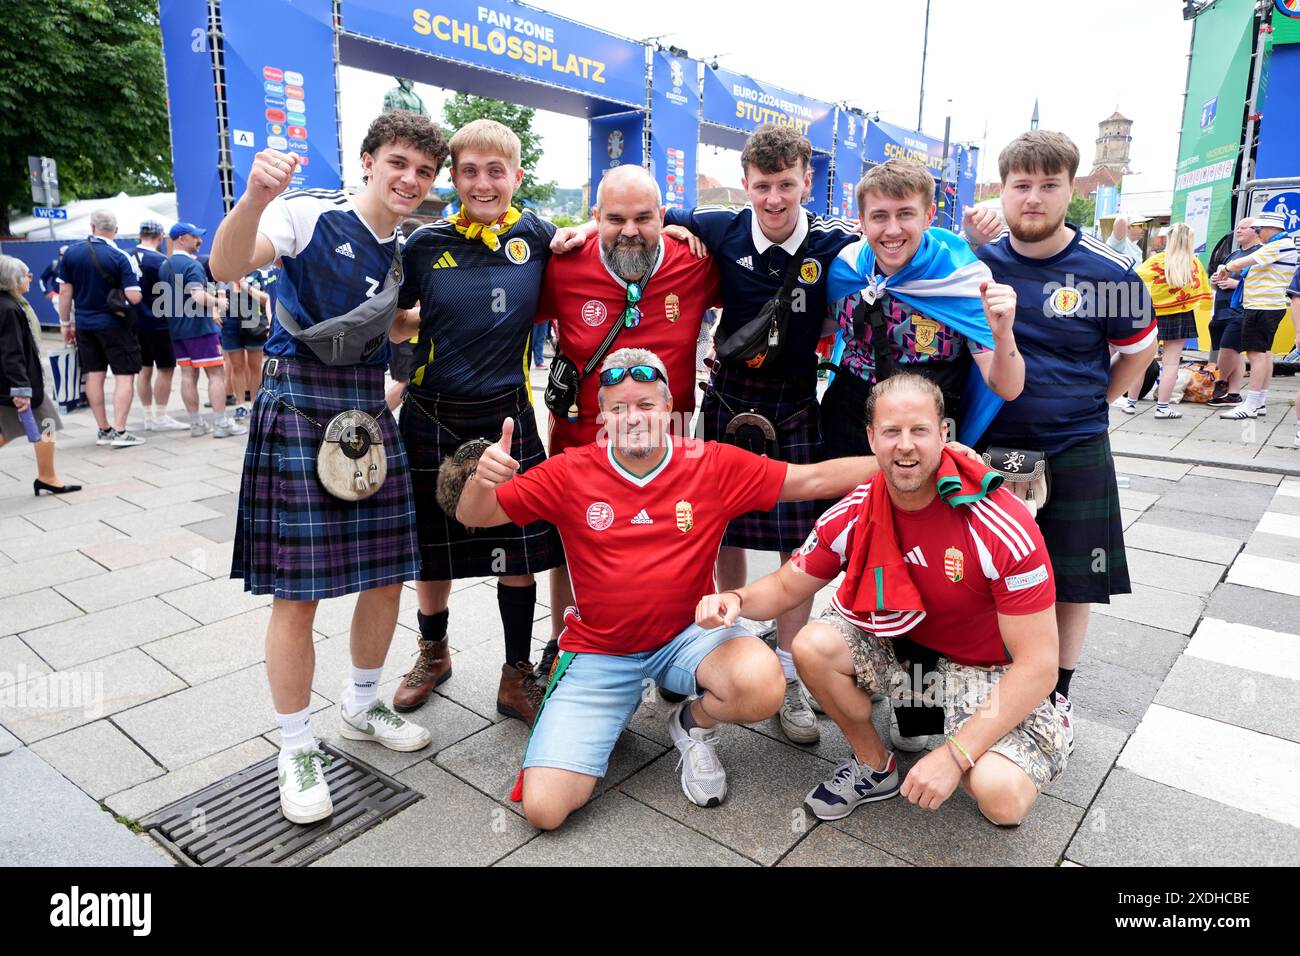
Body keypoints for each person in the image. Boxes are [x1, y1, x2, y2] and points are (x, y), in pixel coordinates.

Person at [456, 347, 885, 830]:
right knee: (544, 810)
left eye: (646, 405)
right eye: (618, 409)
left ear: (669, 408)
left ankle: (691, 725)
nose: (633, 418)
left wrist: (901, 459)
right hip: (602, 650)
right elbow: (476, 516)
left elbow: (814, 480)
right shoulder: (570, 470)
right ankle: (607, 714)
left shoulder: (711, 463)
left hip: (689, 636)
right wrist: (481, 480)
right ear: (602, 417)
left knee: (762, 684)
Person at [209, 109, 450, 824]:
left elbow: (394, 322)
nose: (410, 179)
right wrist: (254, 195)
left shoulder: (403, 247)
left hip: (366, 410)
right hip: (299, 400)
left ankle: (362, 704)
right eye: (399, 163)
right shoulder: (308, 214)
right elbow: (225, 266)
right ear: (369, 161)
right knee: (299, 591)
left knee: (385, 575)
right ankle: (294, 745)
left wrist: (402, 369)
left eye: (424, 171)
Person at [697, 374, 1066, 826]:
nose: (905, 446)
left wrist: (955, 756)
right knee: (812, 644)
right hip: (905, 648)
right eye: (891, 431)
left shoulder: (997, 521)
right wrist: (734, 597)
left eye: (919, 431)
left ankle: (1044, 730)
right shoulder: (857, 508)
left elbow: (1040, 665)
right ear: (871, 437)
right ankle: (874, 765)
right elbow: (786, 586)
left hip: (986, 669)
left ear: (944, 434)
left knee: (999, 797)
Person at [661, 124, 858, 745]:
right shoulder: (719, 226)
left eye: (787, 185)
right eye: (763, 185)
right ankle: (729, 642)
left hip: (796, 403)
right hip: (727, 399)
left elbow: (906, 245)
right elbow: (644, 214)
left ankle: (796, 678)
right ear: (745, 184)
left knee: (799, 545)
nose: (774, 198)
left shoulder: (835, 241)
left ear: (807, 183)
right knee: (718, 528)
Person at [387, 119, 580, 724]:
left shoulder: (541, 236)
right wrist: (434, 324)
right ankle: (433, 652)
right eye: (469, 170)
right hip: (430, 411)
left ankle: (515, 672)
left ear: (517, 176)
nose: (482, 183)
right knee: (429, 549)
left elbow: (598, 244)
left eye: (495, 171)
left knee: (517, 549)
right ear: (454, 176)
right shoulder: (422, 244)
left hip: (506, 414)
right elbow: (394, 324)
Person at [973, 130, 1157, 746]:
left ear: (1069, 189)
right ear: (1004, 190)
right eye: (1021, 185)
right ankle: (995, 680)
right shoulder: (982, 265)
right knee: (996, 572)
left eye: (1049, 185)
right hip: (999, 444)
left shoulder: (1110, 272)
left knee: (1073, 578)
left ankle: (1057, 697)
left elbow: (1140, 352)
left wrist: (1096, 401)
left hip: (1076, 443)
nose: (1033, 198)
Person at [530, 164, 722, 683]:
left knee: (678, 542)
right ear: (596, 218)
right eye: (614, 219)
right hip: (583, 438)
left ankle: (679, 645)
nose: (630, 230)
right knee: (573, 543)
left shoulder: (694, 262)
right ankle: (560, 638)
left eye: (644, 217)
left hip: (672, 441)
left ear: (664, 216)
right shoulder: (564, 265)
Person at [823, 158, 1024, 457]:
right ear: (862, 221)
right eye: (879, 216)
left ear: (928, 216)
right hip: (848, 424)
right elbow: (814, 331)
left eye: (905, 214)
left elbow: (1008, 388)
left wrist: (1003, 335)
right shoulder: (845, 268)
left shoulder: (963, 279)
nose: (892, 230)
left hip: (925, 433)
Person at [56, 209, 146, 447]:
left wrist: (66, 323)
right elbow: (133, 296)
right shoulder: (119, 256)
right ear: (115, 231)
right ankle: (121, 431)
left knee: (94, 375)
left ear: (92, 227)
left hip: (85, 325)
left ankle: (103, 429)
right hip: (115, 324)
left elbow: (65, 292)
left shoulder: (72, 253)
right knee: (124, 377)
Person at [0, 255, 80, 495]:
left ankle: (47, 476)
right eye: (26, 275)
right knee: (43, 424)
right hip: (20, 383)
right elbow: (11, 352)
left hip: (18, 381)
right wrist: (21, 390)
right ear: (12, 279)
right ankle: (47, 477)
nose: (30, 279)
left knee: (39, 425)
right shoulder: (10, 308)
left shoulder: (12, 303)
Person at [159, 223, 244, 439]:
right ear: (181, 238)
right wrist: (219, 302)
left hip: (177, 329)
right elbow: (197, 296)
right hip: (199, 327)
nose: (200, 241)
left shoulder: (165, 265)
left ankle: (196, 423)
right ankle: (221, 423)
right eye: (195, 237)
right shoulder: (192, 265)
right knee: (216, 373)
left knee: (188, 375)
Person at [1122, 223, 1211, 419]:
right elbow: (1203, 292)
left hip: (1152, 313)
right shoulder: (1194, 264)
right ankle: (1163, 408)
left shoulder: (1157, 261)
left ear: (1169, 239)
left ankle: (1130, 403)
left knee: (1141, 360)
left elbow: (1133, 280)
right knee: (1171, 364)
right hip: (1181, 315)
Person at [1217, 211, 1298, 421]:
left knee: (1256, 355)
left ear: (1272, 228)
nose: (1257, 233)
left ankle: (1251, 404)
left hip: (1263, 306)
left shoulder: (1279, 245)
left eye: (1258, 229)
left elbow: (1243, 262)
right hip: (1266, 305)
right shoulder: (1280, 245)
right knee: (1264, 354)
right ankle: (1259, 401)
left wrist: (1226, 267)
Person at [130, 220, 188, 432]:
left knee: (144, 370)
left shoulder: (127, 256)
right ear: (160, 238)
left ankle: (147, 417)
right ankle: (161, 416)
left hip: (135, 323)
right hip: (160, 323)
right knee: (165, 369)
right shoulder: (162, 261)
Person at [1204, 217, 1259, 410]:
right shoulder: (1234, 254)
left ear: (1256, 230)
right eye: (1238, 227)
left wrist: (1235, 284)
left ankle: (1220, 382)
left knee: (1229, 349)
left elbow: (1262, 284)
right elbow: (1219, 280)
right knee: (1235, 353)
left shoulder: (1259, 254)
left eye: (1244, 227)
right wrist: (1215, 280)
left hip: (1239, 310)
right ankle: (1233, 394)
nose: (1238, 230)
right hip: (1220, 308)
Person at [220, 269, 271, 421]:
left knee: (255, 366)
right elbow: (219, 298)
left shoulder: (256, 274)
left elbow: (265, 298)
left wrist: (246, 287)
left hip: (253, 322)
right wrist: (215, 309)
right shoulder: (225, 274)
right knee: (237, 366)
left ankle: (256, 404)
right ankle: (241, 405)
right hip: (230, 323)